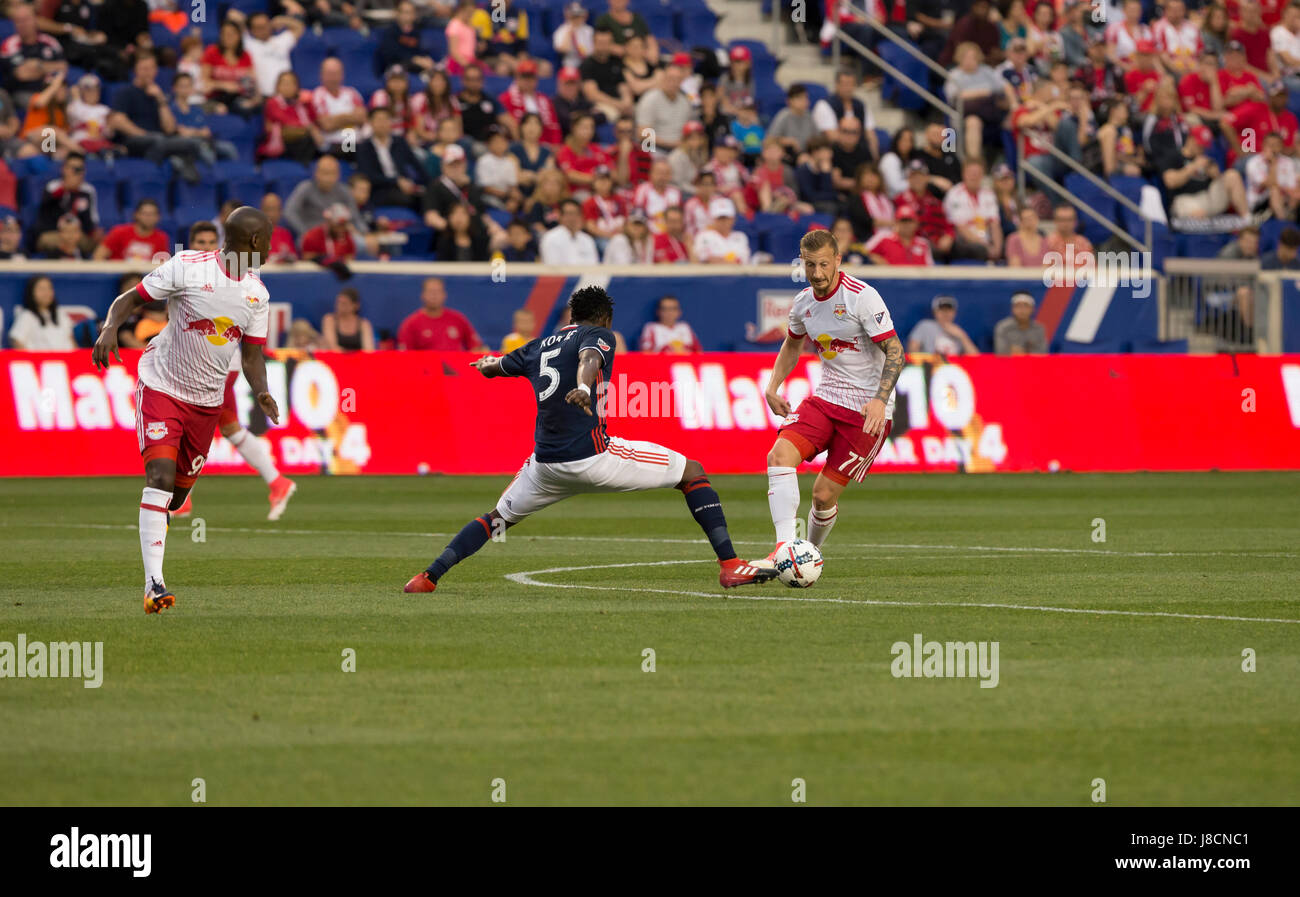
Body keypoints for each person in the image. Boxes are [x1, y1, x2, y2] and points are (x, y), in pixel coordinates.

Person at [403, 286, 775, 594]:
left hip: (545, 467)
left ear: (570, 315)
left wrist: (487, 365)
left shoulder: (538, 345)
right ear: (605, 319)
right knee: (691, 472)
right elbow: (589, 358)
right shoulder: (598, 335)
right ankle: (730, 565)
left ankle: (428, 577)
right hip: (593, 459)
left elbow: (496, 367)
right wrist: (583, 386)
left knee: (496, 519)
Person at [92, 207, 278, 613]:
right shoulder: (187, 267)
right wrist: (109, 328)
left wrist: (261, 391)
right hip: (162, 386)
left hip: (207, 404)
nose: (272, 245)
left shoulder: (257, 294)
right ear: (252, 242)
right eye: (268, 237)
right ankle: (153, 584)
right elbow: (130, 300)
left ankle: (161, 518)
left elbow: (251, 356)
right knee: (157, 479)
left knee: (175, 498)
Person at [763, 229, 903, 556]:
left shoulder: (861, 297)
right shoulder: (803, 304)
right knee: (778, 457)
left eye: (824, 265)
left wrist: (880, 401)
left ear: (838, 260)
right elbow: (792, 344)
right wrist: (772, 386)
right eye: (810, 265)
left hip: (867, 411)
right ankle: (785, 548)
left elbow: (896, 351)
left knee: (823, 496)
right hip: (827, 398)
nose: (817, 274)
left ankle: (809, 554)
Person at [172, 221, 296, 521]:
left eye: (209, 241)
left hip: (218, 366)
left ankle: (182, 498)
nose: (204, 246)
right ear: (191, 245)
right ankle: (277, 482)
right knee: (226, 427)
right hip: (191, 364)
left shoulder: (234, 278)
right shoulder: (184, 271)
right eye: (199, 241)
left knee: (189, 426)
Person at [107, 53, 203, 183]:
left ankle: (178, 160)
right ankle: (177, 159)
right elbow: (117, 120)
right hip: (133, 140)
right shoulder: (126, 91)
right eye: (144, 69)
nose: (148, 73)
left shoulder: (159, 95)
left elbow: (169, 128)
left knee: (168, 141)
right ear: (136, 70)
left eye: (151, 68)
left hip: (159, 141)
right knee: (166, 141)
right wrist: (143, 134)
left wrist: (160, 100)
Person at [356, 106, 427, 208]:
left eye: (386, 119)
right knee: (410, 199)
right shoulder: (364, 147)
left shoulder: (399, 142)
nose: (383, 123)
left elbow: (416, 164)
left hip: (404, 185)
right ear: (370, 123)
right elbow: (368, 175)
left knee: (429, 194)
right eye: (379, 120)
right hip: (380, 189)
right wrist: (396, 181)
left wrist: (430, 183)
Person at [397, 277, 489, 351]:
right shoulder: (410, 324)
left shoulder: (458, 319)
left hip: (457, 371)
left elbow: (476, 347)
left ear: (444, 295)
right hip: (425, 371)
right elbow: (405, 357)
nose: (434, 296)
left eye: (438, 292)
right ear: (423, 295)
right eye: (430, 292)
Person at [285, 155, 367, 234]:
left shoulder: (344, 190)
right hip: (312, 234)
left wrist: (364, 233)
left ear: (338, 175)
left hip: (338, 235)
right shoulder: (305, 188)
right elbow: (289, 212)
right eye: (325, 173)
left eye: (332, 173)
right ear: (316, 173)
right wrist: (305, 232)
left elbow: (355, 217)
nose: (328, 178)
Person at [944, 160, 1003, 261]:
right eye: (971, 173)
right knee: (976, 249)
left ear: (982, 176)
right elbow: (960, 228)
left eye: (977, 174)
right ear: (963, 174)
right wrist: (985, 246)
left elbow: (995, 224)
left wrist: (997, 249)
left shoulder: (989, 194)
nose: (974, 177)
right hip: (964, 240)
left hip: (986, 240)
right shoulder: (954, 194)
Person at [310, 58, 368, 156]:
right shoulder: (317, 95)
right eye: (329, 74)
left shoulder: (352, 92)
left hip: (355, 144)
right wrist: (350, 117)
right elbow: (327, 125)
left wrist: (336, 119)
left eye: (336, 73)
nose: (333, 78)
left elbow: (362, 118)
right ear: (321, 75)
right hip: (332, 145)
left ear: (342, 74)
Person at [8, 275, 75, 350]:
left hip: (66, 360)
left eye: (49, 288)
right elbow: (16, 340)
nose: (46, 293)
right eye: (41, 289)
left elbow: (71, 340)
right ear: (32, 293)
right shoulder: (27, 316)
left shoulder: (61, 314)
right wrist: (30, 360)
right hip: (41, 361)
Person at [94, 199, 170, 262]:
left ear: (158, 217)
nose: (148, 217)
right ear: (136, 215)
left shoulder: (161, 237)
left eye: (152, 214)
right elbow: (98, 256)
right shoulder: (119, 232)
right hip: (120, 277)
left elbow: (162, 266)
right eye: (145, 213)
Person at [863, 203, 934, 266]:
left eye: (910, 221)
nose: (906, 225)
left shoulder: (923, 244)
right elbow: (861, 252)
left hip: (919, 280)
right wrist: (875, 259)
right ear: (896, 223)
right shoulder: (883, 237)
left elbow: (930, 269)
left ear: (916, 223)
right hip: (889, 280)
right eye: (903, 221)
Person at [907, 295, 980, 356]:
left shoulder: (959, 332)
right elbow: (912, 351)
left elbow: (977, 359)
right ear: (934, 312)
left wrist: (962, 337)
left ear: (954, 312)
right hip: (929, 368)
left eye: (949, 310)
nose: (945, 313)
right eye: (942, 310)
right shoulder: (925, 326)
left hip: (952, 370)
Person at [540, 198, 600, 264]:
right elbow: (553, 268)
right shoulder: (550, 238)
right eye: (569, 213)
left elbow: (594, 266)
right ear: (560, 216)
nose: (573, 218)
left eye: (577, 213)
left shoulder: (587, 239)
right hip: (562, 273)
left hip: (586, 273)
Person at [693, 197, 750, 264]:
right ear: (713, 219)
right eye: (720, 218)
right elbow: (704, 259)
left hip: (736, 274)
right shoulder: (703, 236)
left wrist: (721, 260)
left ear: (733, 219)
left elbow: (742, 260)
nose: (724, 221)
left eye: (726, 218)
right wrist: (728, 261)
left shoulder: (741, 237)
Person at [321, 286, 376, 352]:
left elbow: (369, 349)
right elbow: (332, 346)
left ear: (355, 306)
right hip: (337, 358)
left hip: (359, 360)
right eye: (338, 302)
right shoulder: (329, 319)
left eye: (344, 304)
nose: (339, 306)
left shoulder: (364, 324)